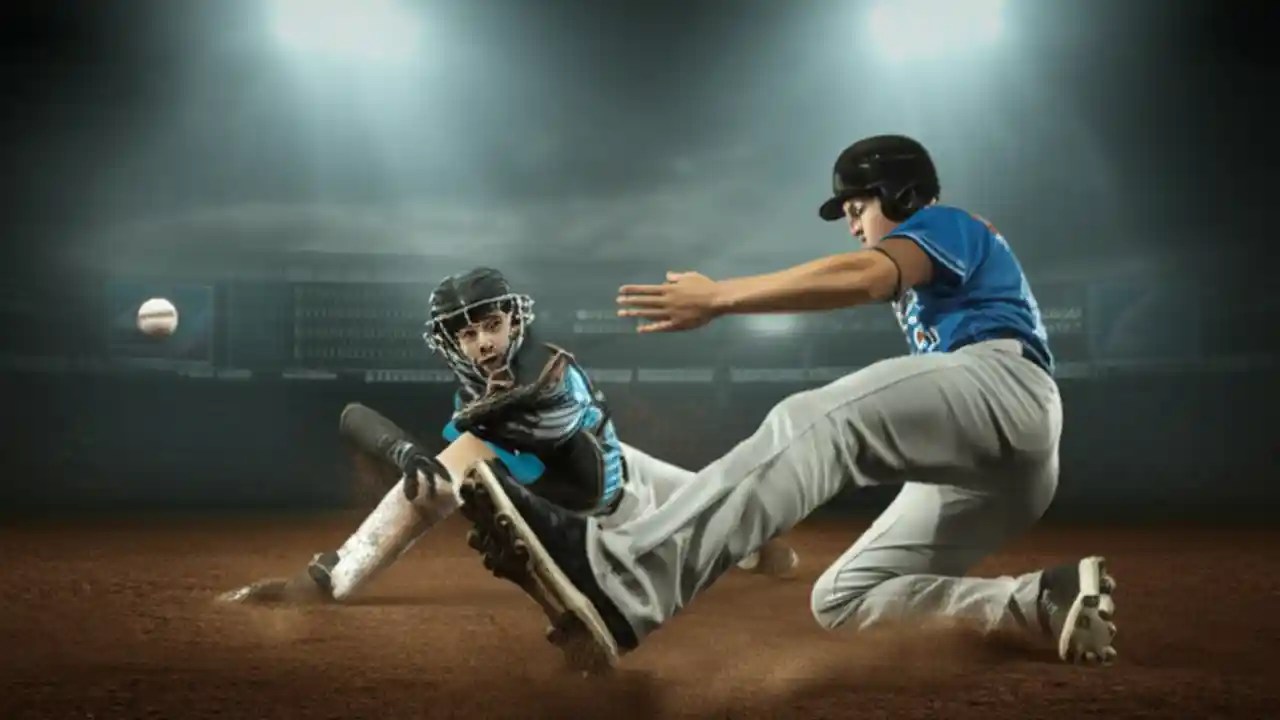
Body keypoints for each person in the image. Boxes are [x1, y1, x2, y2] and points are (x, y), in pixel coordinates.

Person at [449, 135, 1119, 673]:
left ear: (902, 194)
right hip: (1008, 469)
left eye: (858, 205)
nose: (853, 224)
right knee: (842, 599)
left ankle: (628, 580)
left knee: (816, 420)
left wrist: (720, 297)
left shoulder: (947, 223)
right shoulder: (933, 261)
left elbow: (866, 276)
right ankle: (1037, 602)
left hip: (1004, 387)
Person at [220, 267, 798, 606]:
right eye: (468, 334)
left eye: (492, 325)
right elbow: (352, 414)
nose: (485, 344)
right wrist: (406, 451)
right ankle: (331, 577)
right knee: (430, 480)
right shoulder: (474, 396)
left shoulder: (548, 366)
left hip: (617, 490)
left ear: (515, 320)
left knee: (742, 524)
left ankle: (752, 545)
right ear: (450, 343)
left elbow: (565, 448)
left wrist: (478, 434)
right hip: (600, 482)